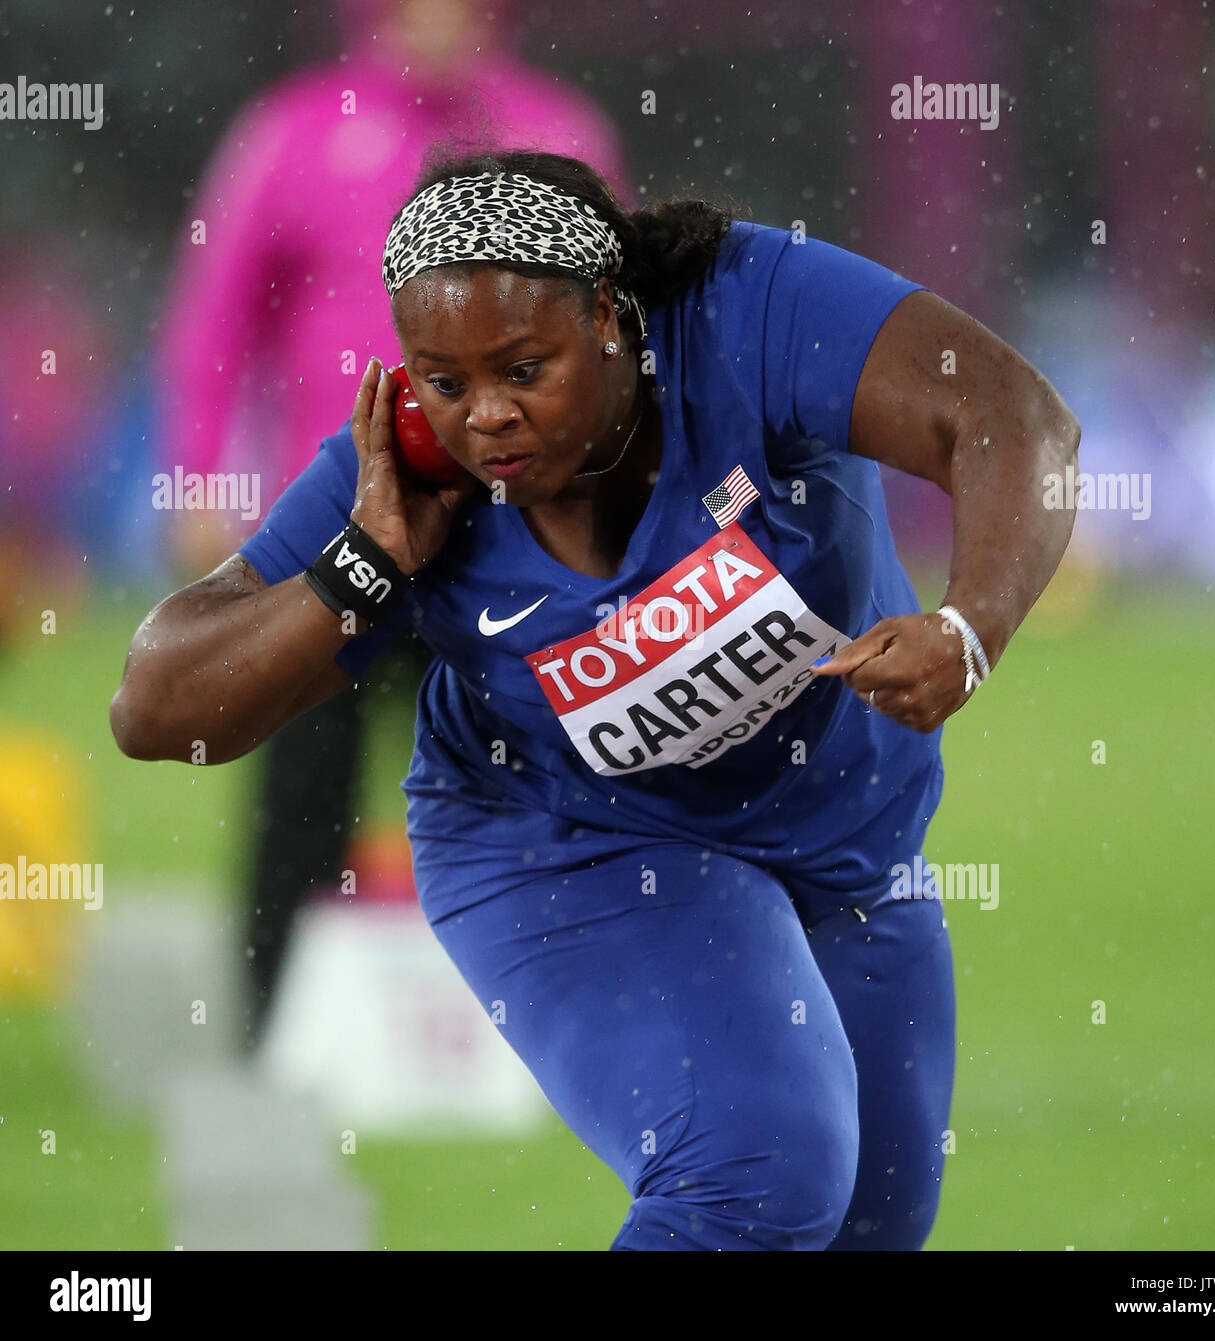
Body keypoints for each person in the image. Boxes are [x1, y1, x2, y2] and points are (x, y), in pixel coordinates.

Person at [111, 147, 1081, 1251]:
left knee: (867, 1229)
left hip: (845, 841)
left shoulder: (749, 311)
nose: (486, 418)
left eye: (524, 368)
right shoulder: (407, 473)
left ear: (615, 314)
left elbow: (1017, 419)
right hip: (565, 842)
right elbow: (154, 708)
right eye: (443, 379)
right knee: (755, 1172)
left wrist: (969, 628)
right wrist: (363, 567)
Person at [153, 0, 630, 1048]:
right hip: (333, 528)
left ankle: (562, 1029)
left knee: (533, 779)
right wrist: (196, 475)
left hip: (508, 525)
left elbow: (619, 330)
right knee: (302, 790)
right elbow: (217, 312)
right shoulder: (291, 134)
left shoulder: (558, 138)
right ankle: (271, 1036)